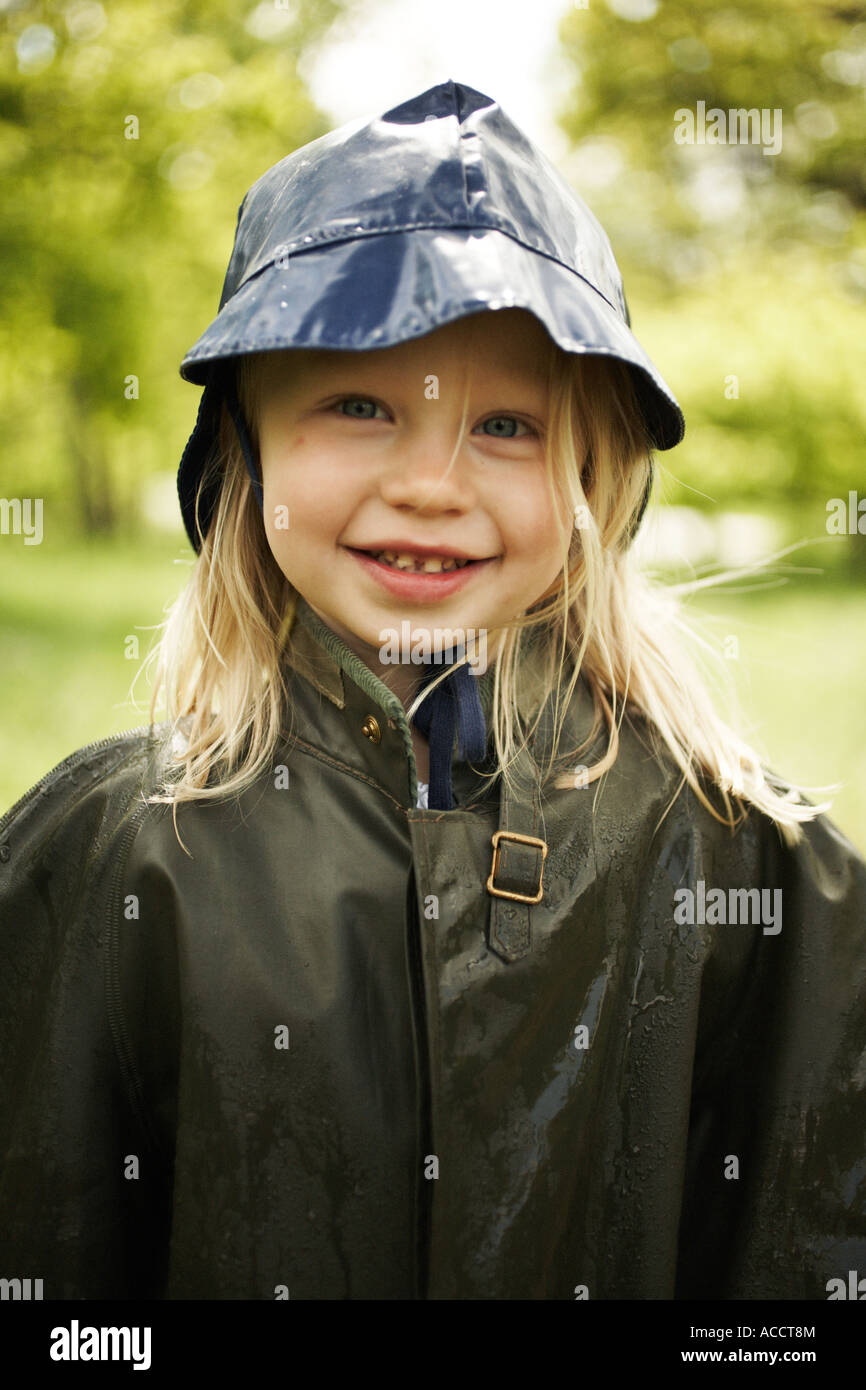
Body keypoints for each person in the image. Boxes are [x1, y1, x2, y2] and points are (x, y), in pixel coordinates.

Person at [1, 79, 865, 1301]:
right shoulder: (116, 851)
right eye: (358, 403)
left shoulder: (730, 853)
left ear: (587, 475)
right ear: (240, 454)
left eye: (503, 425)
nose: (428, 482)